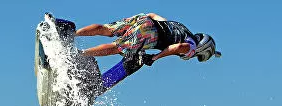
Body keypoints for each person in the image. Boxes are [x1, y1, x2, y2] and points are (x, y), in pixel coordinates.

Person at [75, 13, 221, 66]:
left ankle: (73, 34)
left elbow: (152, 15)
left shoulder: (181, 28)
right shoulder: (191, 48)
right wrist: (154, 58)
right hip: (149, 33)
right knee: (117, 47)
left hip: (143, 19)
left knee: (107, 29)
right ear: (203, 49)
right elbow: (175, 48)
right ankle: (78, 54)